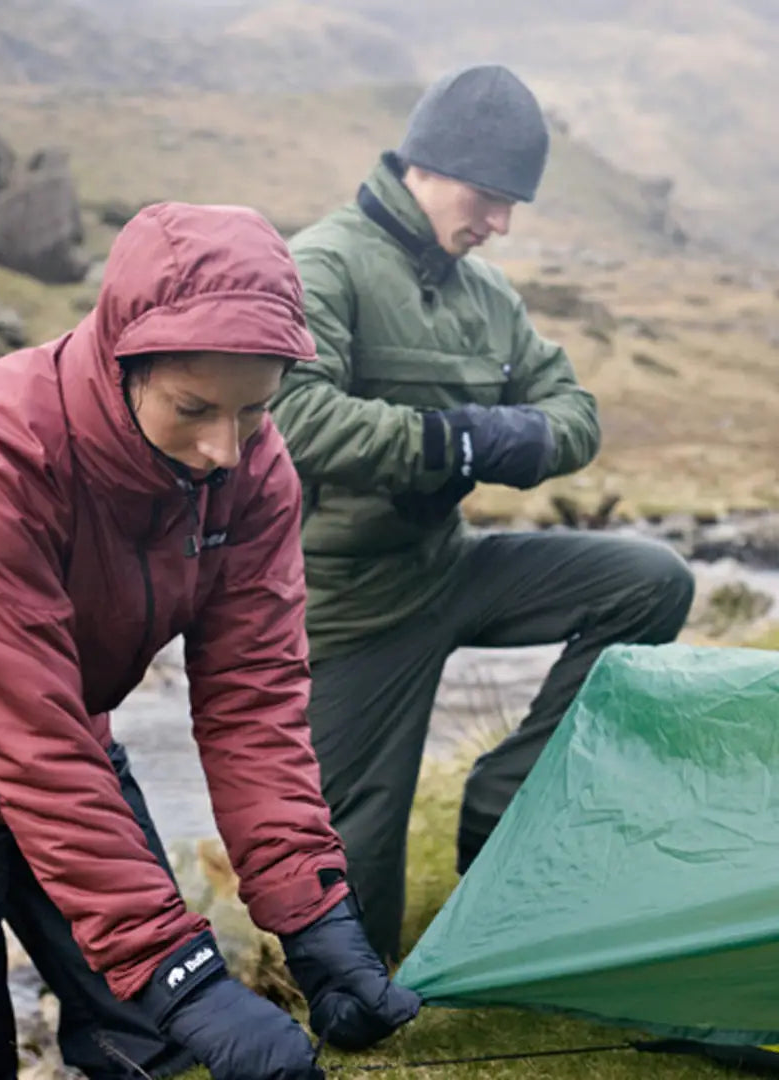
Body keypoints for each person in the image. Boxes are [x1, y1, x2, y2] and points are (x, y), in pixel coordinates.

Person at [0, 202, 420, 1080]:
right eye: (193, 408)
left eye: (253, 410)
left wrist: (313, 913)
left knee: (160, 1042)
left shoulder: (255, 470)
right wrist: (181, 972)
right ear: (123, 355)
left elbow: (254, 701)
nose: (224, 450)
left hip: (70, 741)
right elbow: (30, 740)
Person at [270, 64, 696, 963]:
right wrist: (456, 443)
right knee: (359, 931)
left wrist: (517, 439)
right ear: (426, 165)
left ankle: (507, 794)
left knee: (653, 583)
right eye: (491, 198)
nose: (499, 224)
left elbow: (574, 412)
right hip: (347, 608)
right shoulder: (323, 264)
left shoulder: (488, 294)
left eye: (513, 206)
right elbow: (289, 416)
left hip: (452, 568)